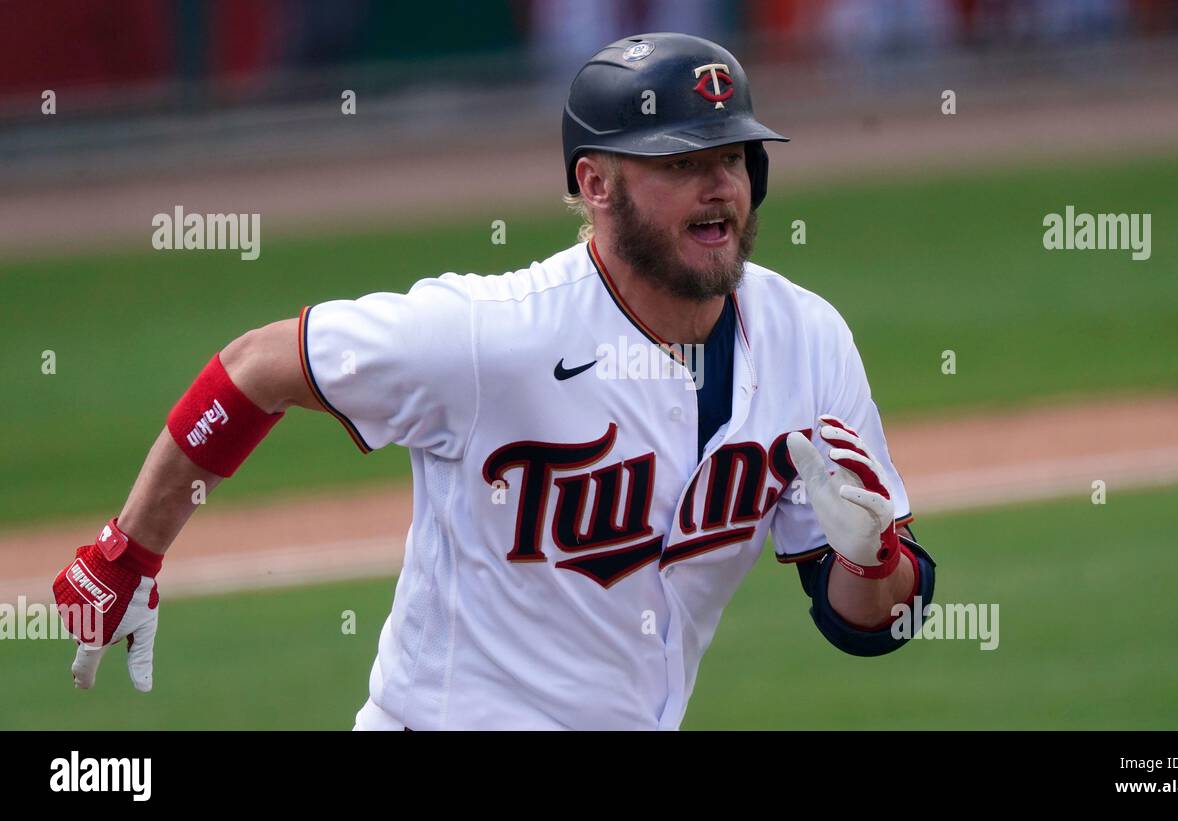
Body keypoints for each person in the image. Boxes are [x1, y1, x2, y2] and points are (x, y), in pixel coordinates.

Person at [52, 32, 936, 730]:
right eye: (679, 165)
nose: (719, 188)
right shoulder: (490, 333)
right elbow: (255, 369)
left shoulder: (807, 341)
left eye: (733, 159)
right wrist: (126, 554)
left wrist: (874, 557)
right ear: (595, 183)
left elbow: (868, 623)